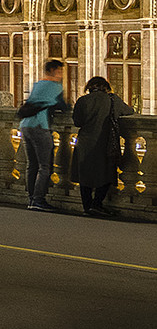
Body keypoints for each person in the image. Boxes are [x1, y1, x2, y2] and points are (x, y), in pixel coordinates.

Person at [70, 75, 134, 217]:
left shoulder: (82, 101)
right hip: (103, 142)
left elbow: (77, 122)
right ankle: (97, 204)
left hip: (84, 142)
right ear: (106, 87)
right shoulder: (112, 100)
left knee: (85, 176)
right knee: (107, 174)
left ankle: (87, 207)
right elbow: (129, 111)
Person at [17, 58, 67, 212]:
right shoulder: (54, 86)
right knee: (44, 166)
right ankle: (39, 199)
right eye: (59, 71)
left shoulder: (37, 85)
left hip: (25, 125)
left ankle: (31, 198)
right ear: (52, 71)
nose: (61, 75)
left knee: (31, 165)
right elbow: (62, 106)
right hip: (40, 126)